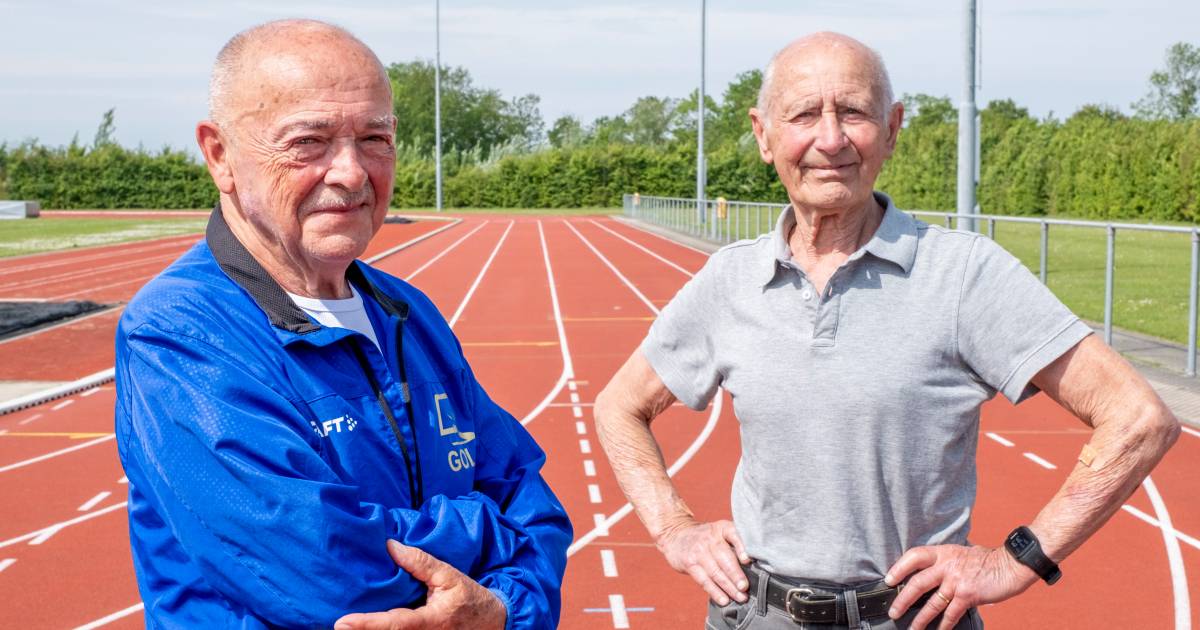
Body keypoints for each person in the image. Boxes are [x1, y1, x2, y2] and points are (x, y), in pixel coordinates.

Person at [593, 32, 1180, 630]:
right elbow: (619, 407)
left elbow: (1139, 418)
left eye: (853, 112)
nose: (830, 139)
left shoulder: (963, 274)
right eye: (803, 115)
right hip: (755, 614)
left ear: (893, 128)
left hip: (910, 619)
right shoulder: (731, 279)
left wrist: (1017, 561)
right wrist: (673, 530)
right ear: (764, 135)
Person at [114, 19, 570, 629]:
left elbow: (534, 508)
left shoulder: (408, 313)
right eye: (309, 142)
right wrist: (485, 529)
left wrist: (504, 611)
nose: (352, 173)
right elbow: (321, 569)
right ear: (220, 155)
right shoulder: (181, 332)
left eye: (375, 138)